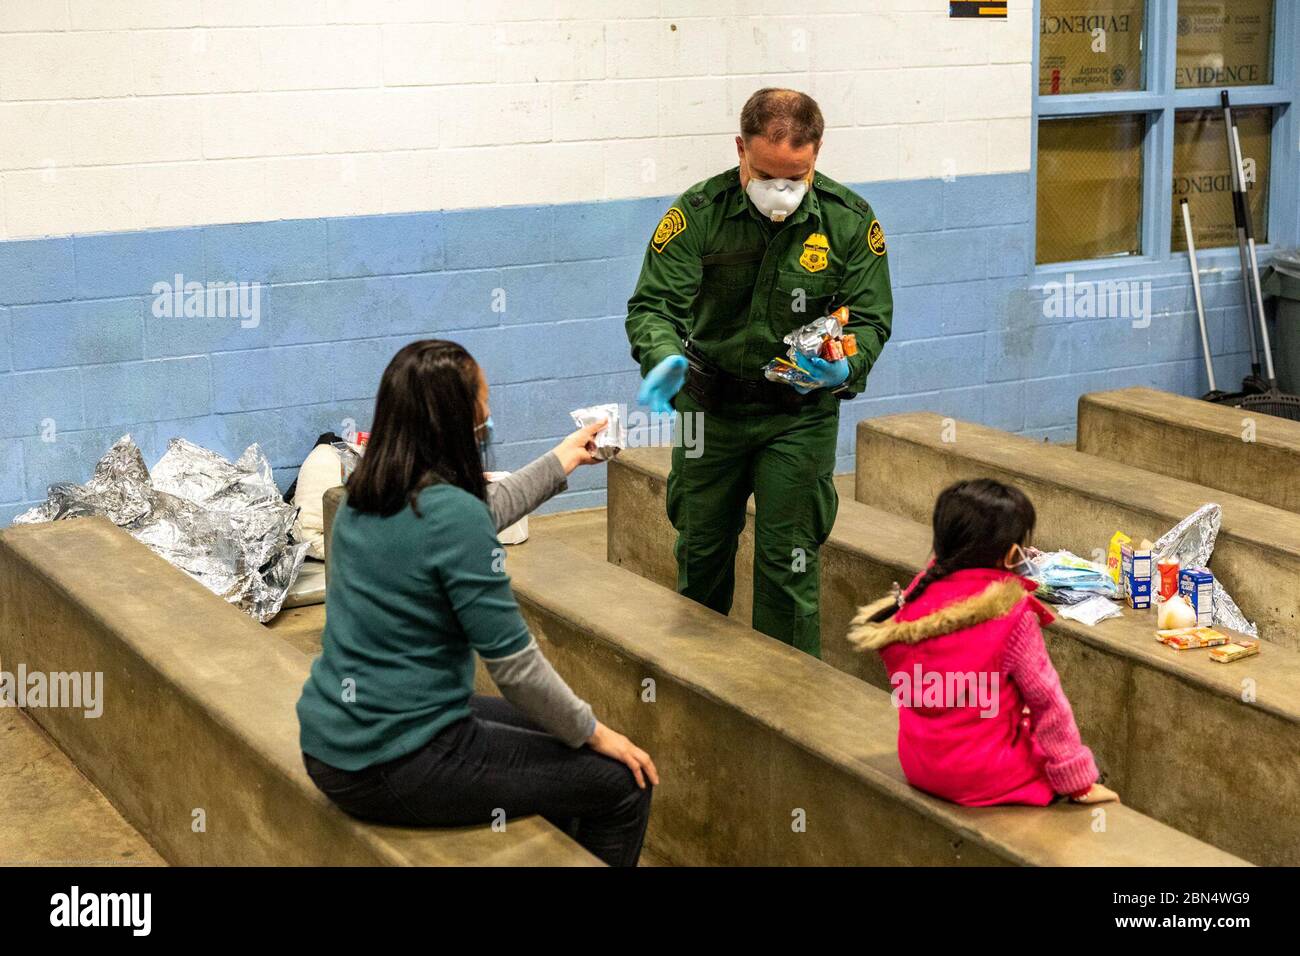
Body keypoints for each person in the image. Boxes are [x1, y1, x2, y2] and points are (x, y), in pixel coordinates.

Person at [296, 339, 658, 867]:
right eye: (482, 408)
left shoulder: (366, 497)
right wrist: (597, 732)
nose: (487, 421)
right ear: (454, 422)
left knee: (564, 740)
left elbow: (474, 513)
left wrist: (563, 458)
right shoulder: (451, 516)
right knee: (622, 780)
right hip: (395, 761)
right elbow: (514, 666)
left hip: (334, 742)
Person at [625, 88, 893, 657]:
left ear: (816, 154)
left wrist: (848, 363)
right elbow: (654, 307)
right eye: (768, 173)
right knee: (701, 550)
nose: (783, 190)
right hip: (708, 410)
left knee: (788, 560)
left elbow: (869, 317)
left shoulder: (848, 222)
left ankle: (787, 705)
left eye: (797, 176)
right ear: (740, 149)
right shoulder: (699, 214)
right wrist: (662, 357)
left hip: (797, 416)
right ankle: (700, 685)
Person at [846, 479, 1119, 808]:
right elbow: (1049, 702)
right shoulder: (1011, 614)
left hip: (920, 764)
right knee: (1052, 746)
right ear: (1010, 554)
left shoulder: (917, 594)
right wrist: (1079, 783)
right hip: (983, 774)